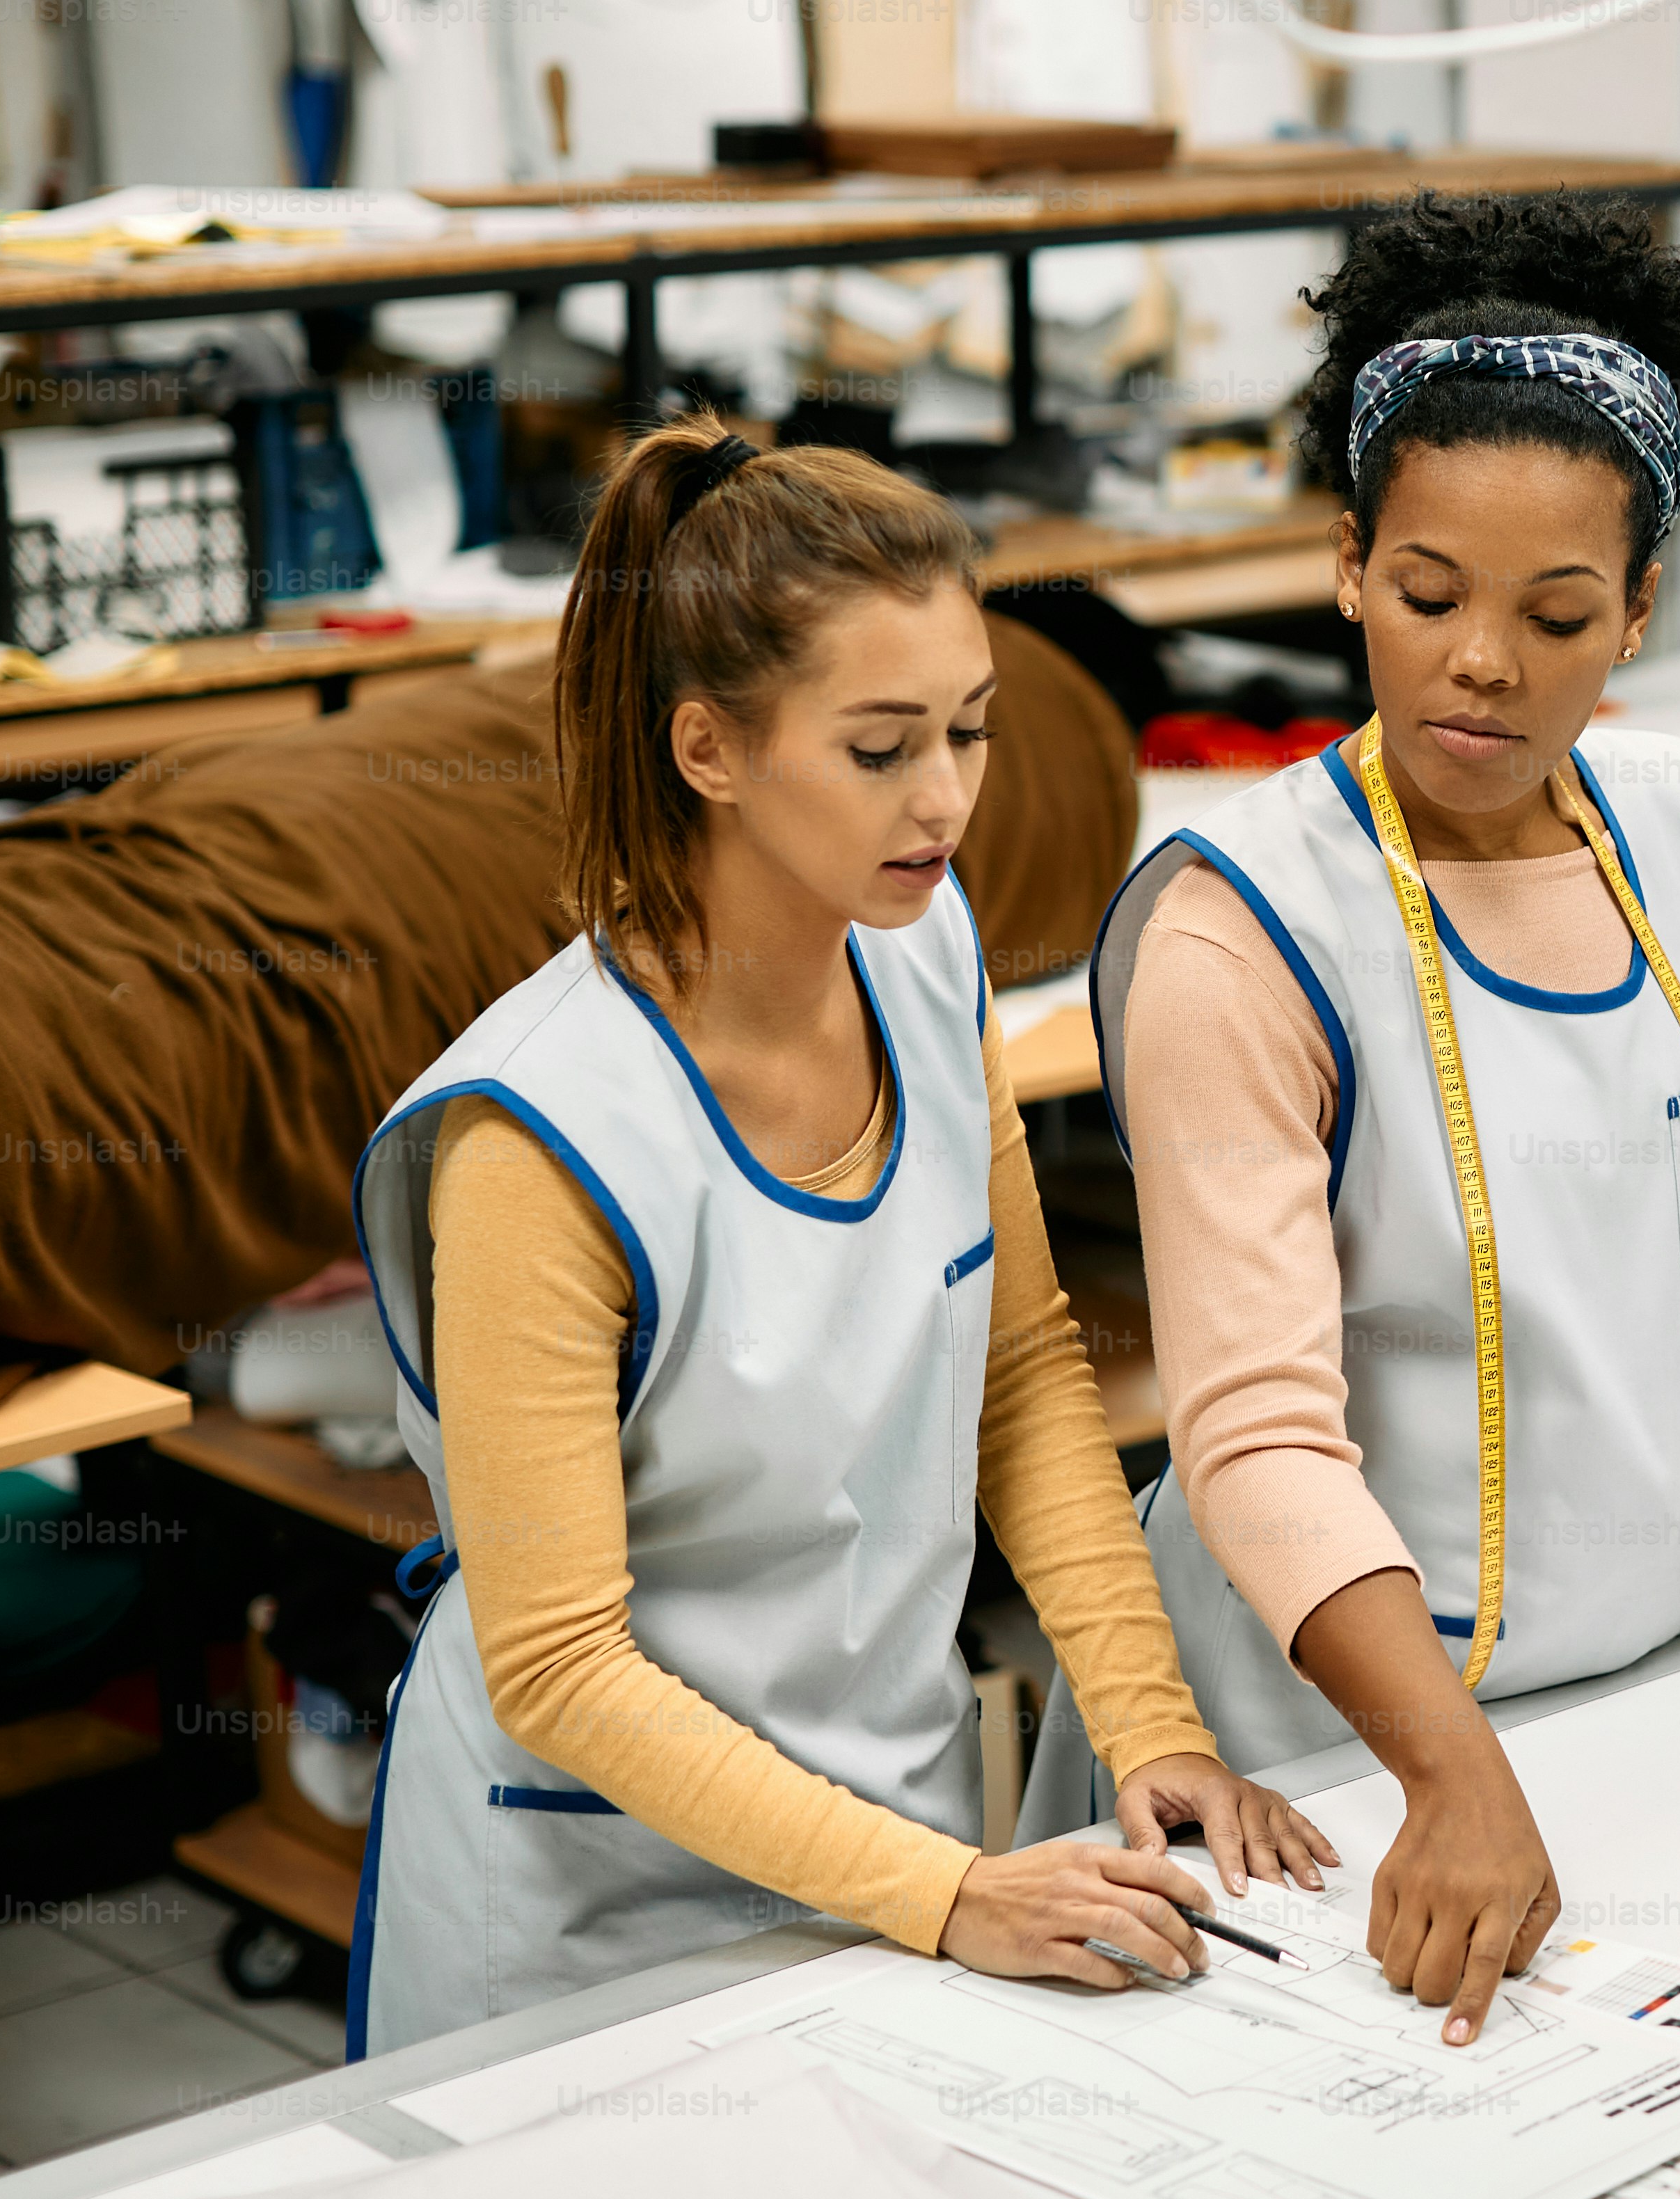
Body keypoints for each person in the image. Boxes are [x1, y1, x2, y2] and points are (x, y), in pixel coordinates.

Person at [1070, 193, 1680, 2051]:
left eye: (1560, 614)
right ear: (1348, 563)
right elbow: (1254, 1435)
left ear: (1646, 609)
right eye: (1428, 596)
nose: (1486, 667)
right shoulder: (1243, 924)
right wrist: (1443, 1779)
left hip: (1647, 1690)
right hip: (1337, 1740)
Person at [347, 420, 1330, 2061]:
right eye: (880, 749)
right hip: (603, 1898)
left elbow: (1019, 1363)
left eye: (969, 730)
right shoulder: (544, 1139)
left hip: (899, 1829)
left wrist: (1149, 1721)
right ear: (710, 749)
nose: (946, 798)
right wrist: (951, 1896)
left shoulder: (926, 955)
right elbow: (566, 1667)